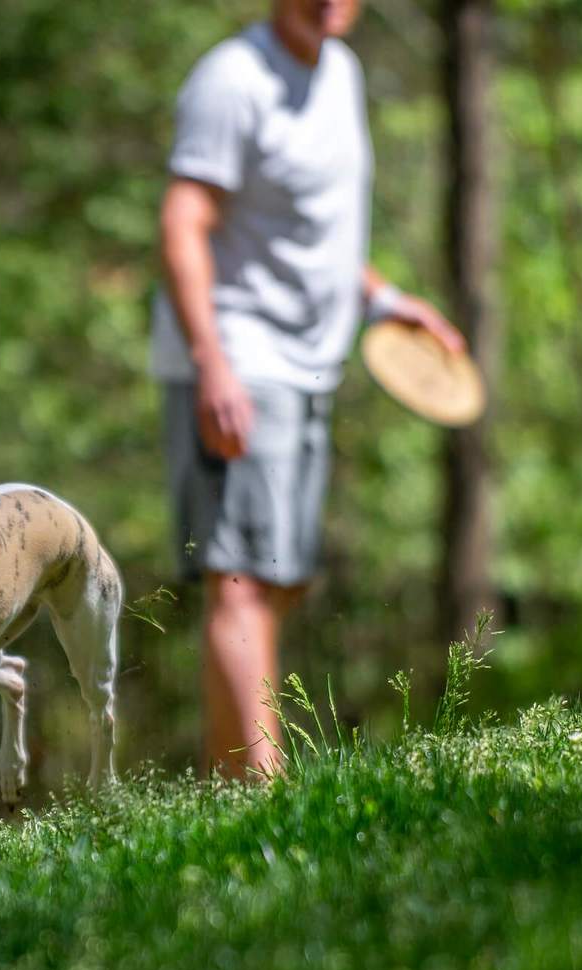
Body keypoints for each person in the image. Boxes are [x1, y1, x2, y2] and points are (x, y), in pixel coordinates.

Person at [153, 0, 464, 779]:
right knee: (242, 581)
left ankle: (227, 788)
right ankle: (266, 796)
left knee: (280, 583)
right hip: (238, 356)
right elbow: (182, 222)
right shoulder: (233, 80)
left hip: (311, 362)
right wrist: (212, 364)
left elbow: (312, 237)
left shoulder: (342, 73)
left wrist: (384, 300)